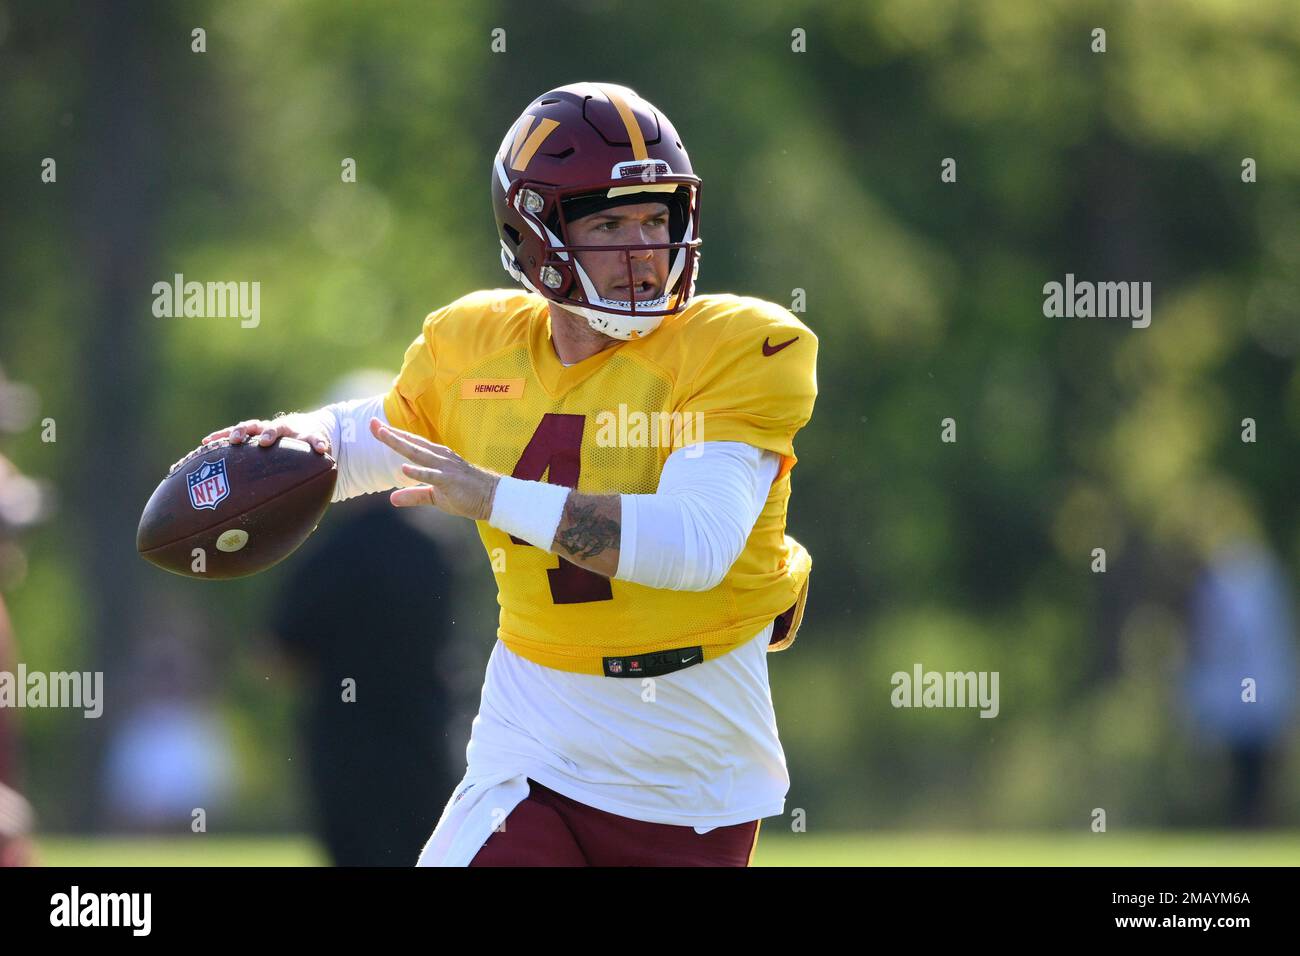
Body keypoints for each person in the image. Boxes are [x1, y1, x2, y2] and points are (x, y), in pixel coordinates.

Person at [201, 82, 818, 866]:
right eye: (609, 223)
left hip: (694, 755)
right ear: (535, 234)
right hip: (533, 740)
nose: (644, 250)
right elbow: (376, 436)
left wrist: (493, 496)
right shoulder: (477, 344)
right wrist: (297, 440)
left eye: (656, 217)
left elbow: (695, 546)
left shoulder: (735, 346)